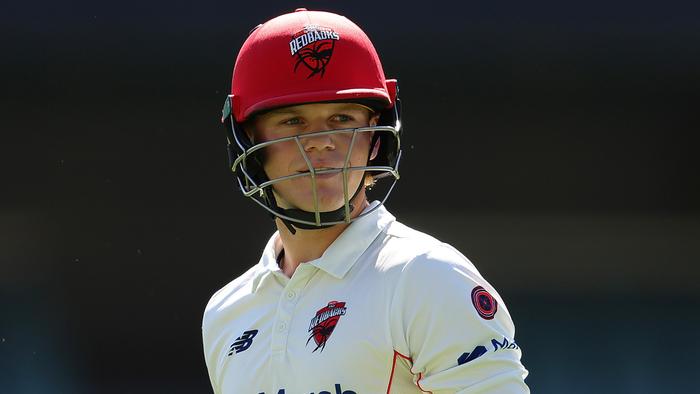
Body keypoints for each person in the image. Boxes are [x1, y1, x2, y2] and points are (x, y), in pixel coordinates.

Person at [202, 8, 529, 394]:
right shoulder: (227, 313)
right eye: (293, 121)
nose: (321, 141)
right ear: (250, 145)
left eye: (341, 118)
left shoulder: (425, 277)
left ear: (376, 136)